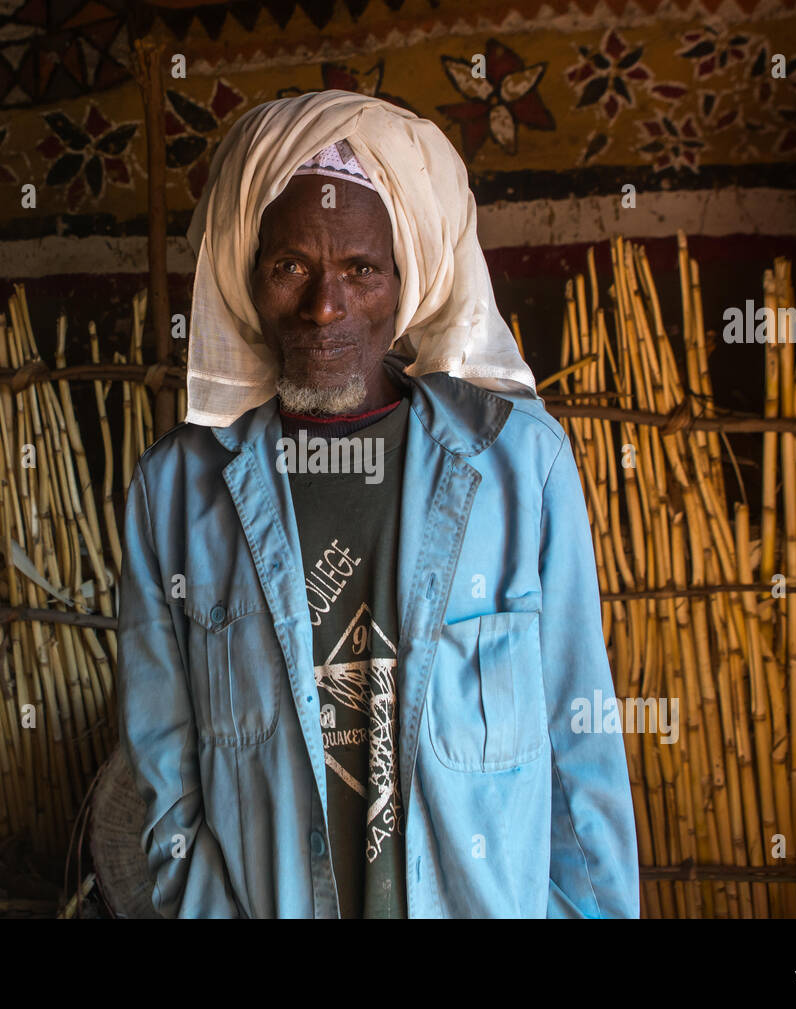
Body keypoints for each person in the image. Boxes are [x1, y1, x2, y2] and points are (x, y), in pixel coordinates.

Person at [113, 89, 639, 918]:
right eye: (291, 266)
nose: (326, 307)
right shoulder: (175, 497)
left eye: (360, 268)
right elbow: (161, 781)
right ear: (250, 281)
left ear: (406, 283)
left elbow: (582, 753)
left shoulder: (517, 468)